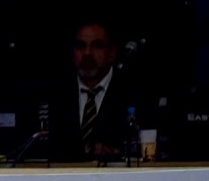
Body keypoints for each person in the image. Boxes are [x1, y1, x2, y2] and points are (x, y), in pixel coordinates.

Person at [46, 21, 139, 161]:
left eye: (97, 46)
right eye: (80, 46)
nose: (87, 53)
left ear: (112, 53)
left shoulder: (134, 92)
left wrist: (116, 154)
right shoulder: (55, 93)